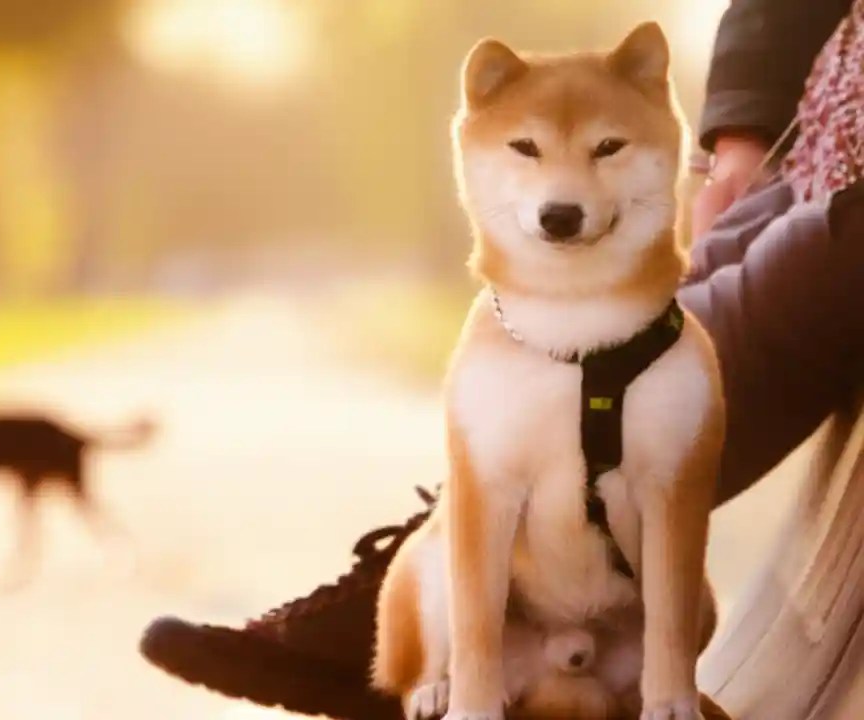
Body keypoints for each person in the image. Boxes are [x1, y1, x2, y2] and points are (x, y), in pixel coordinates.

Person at [140, 2, 864, 719]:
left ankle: (431, 615)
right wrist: (746, 122)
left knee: (735, 306)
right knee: (688, 280)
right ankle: (445, 595)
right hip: (831, 121)